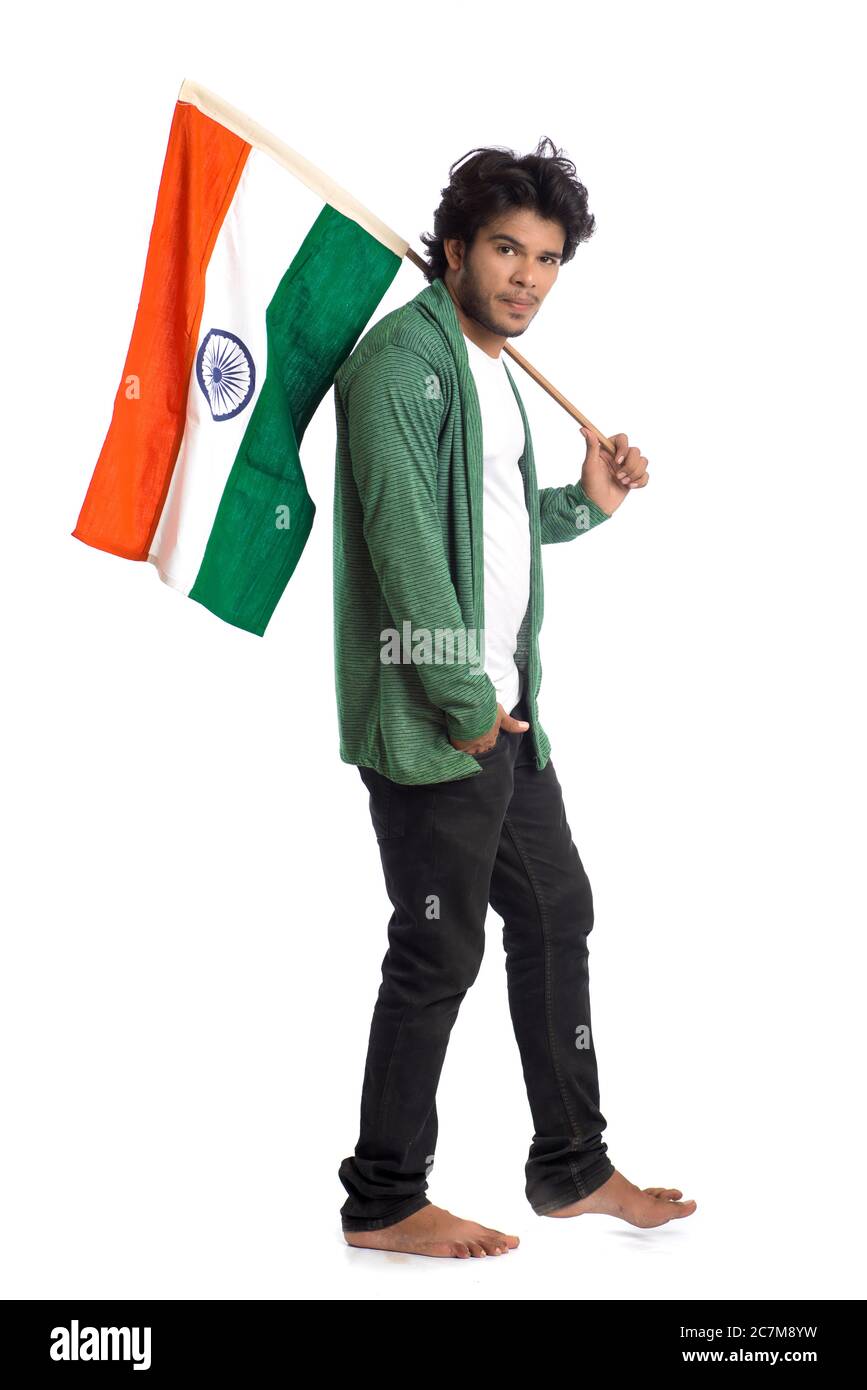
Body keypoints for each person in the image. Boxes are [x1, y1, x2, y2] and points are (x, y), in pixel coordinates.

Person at [331, 137, 695, 1258]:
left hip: (506, 714)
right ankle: (386, 1196)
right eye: (506, 249)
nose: (528, 276)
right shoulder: (401, 363)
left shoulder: (492, 372)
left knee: (554, 913)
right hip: (442, 720)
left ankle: (571, 1164)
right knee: (436, 952)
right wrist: (461, 699)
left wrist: (587, 504)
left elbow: (489, 529)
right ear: (454, 247)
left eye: (545, 258)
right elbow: (404, 548)